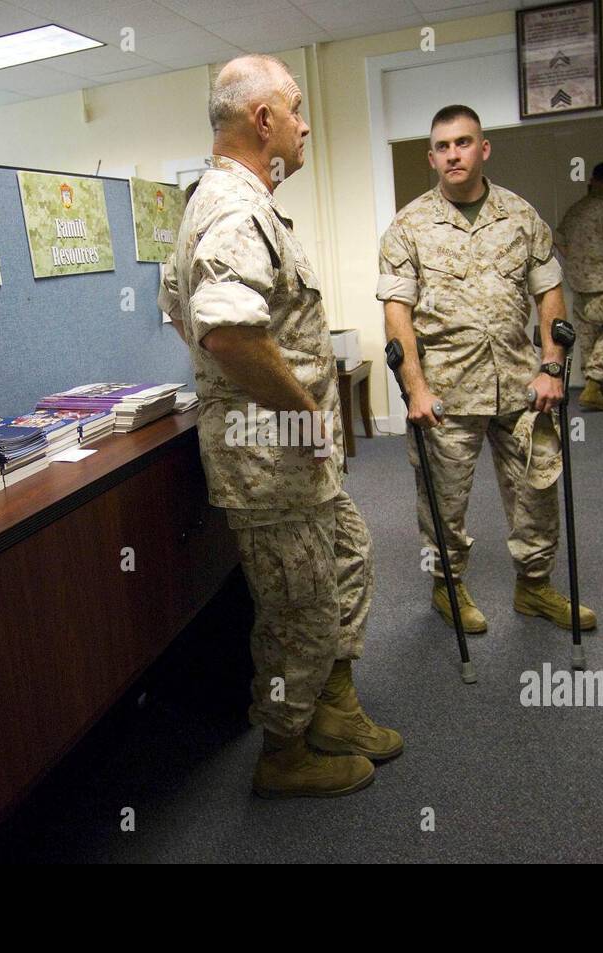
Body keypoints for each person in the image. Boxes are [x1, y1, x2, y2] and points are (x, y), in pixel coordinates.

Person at [158, 54, 401, 799]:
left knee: (350, 557)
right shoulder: (234, 208)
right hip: (271, 459)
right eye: (295, 108)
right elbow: (224, 332)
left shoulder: (234, 201)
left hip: (293, 456)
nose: (303, 123)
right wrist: (301, 411)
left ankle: (335, 706)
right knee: (299, 605)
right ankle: (286, 750)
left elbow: (179, 307)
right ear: (262, 121)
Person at [377, 104, 597, 637]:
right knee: (443, 505)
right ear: (431, 158)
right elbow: (396, 316)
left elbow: (550, 297)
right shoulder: (409, 227)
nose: (454, 153)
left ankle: (534, 586)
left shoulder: (522, 217)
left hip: (524, 387)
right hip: (446, 395)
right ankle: (447, 589)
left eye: (464, 142)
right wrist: (415, 391)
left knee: (538, 490)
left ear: (483, 149)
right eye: (443, 146)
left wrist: (552, 368)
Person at [556, 161, 603, 411]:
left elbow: (559, 239)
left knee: (586, 335)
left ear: (591, 181)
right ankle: (594, 385)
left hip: (579, 283)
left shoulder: (576, 209)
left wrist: (575, 262)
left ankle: (591, 387)